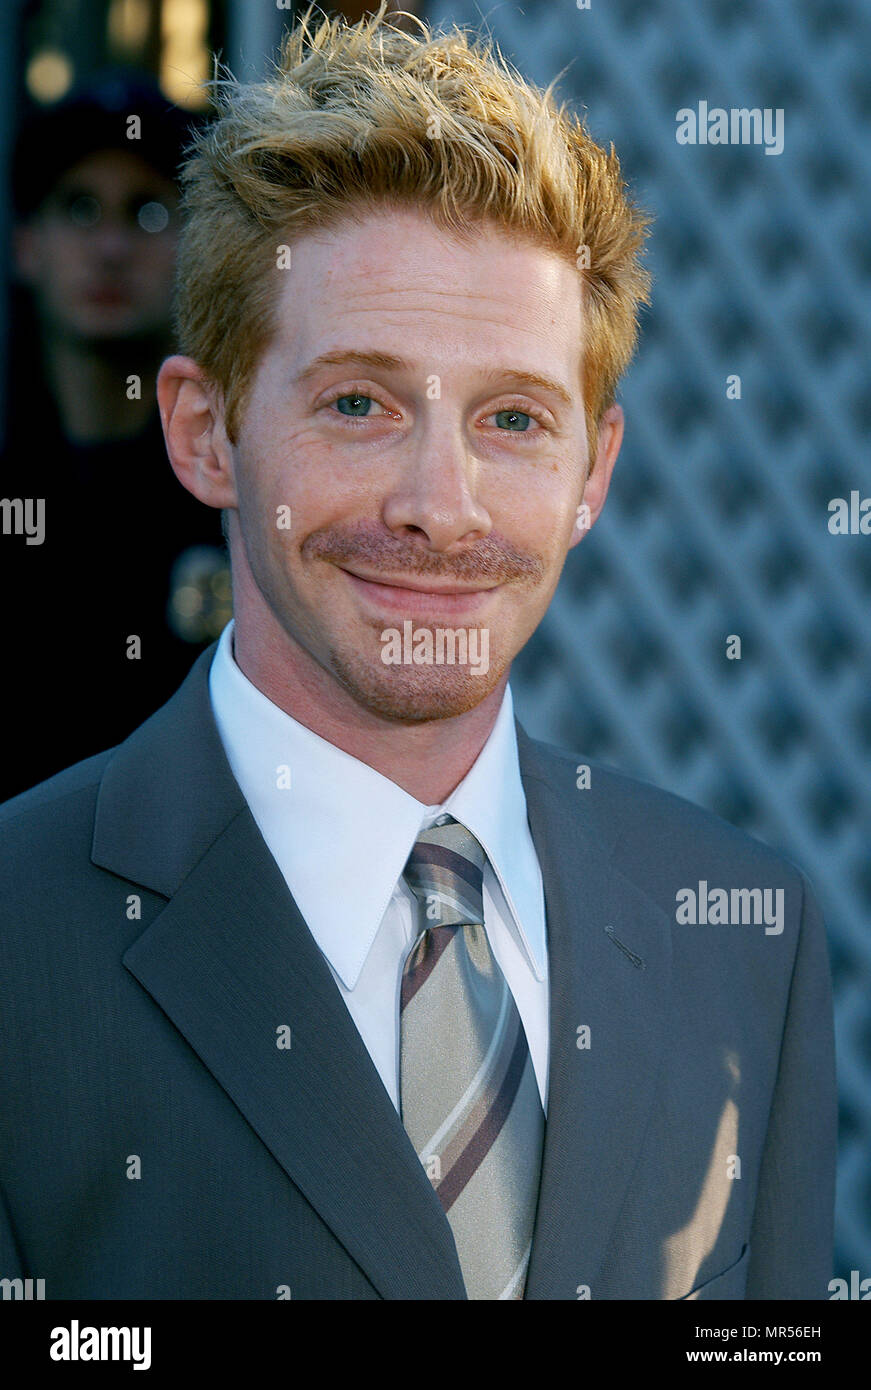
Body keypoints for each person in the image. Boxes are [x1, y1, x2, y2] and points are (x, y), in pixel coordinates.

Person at [0, 4, 835, 1300]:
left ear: (590, 470)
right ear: (204, 433)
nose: (440, 504)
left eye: (511, 417)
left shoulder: (741, 934)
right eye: (356, 401)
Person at [0, 71, 230, 801]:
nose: (108, 247)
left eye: (147, 215)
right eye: (79, 209)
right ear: (26, 245)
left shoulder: (238, 495)